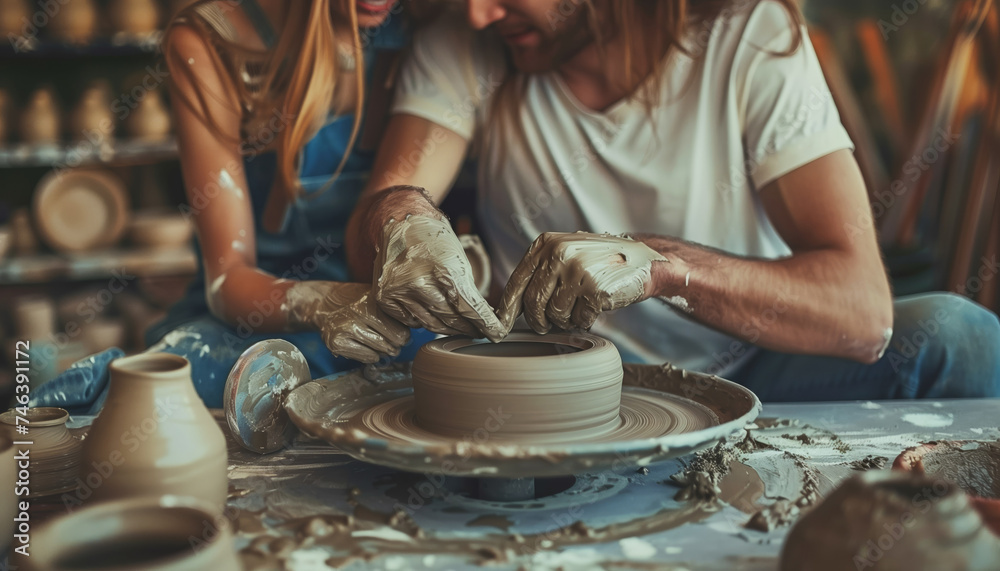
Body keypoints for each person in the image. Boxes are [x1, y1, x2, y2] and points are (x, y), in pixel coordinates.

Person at [345, 0, 1000, 401]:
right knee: (378, 355)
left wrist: (660, 267)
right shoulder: (469, 42)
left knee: (961, 337)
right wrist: (401, 216)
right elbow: (384, 210)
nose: (478, 10)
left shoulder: (748, 36)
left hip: (752, 366)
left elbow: (860, 311)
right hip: (566, 377)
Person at [32, 0, 436, 412]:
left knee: (451, 380)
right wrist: (323, 303)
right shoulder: (214, 39)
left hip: (386, 309)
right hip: (255, 312)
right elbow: (229, 277)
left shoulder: (428, 25)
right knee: (131, 407)